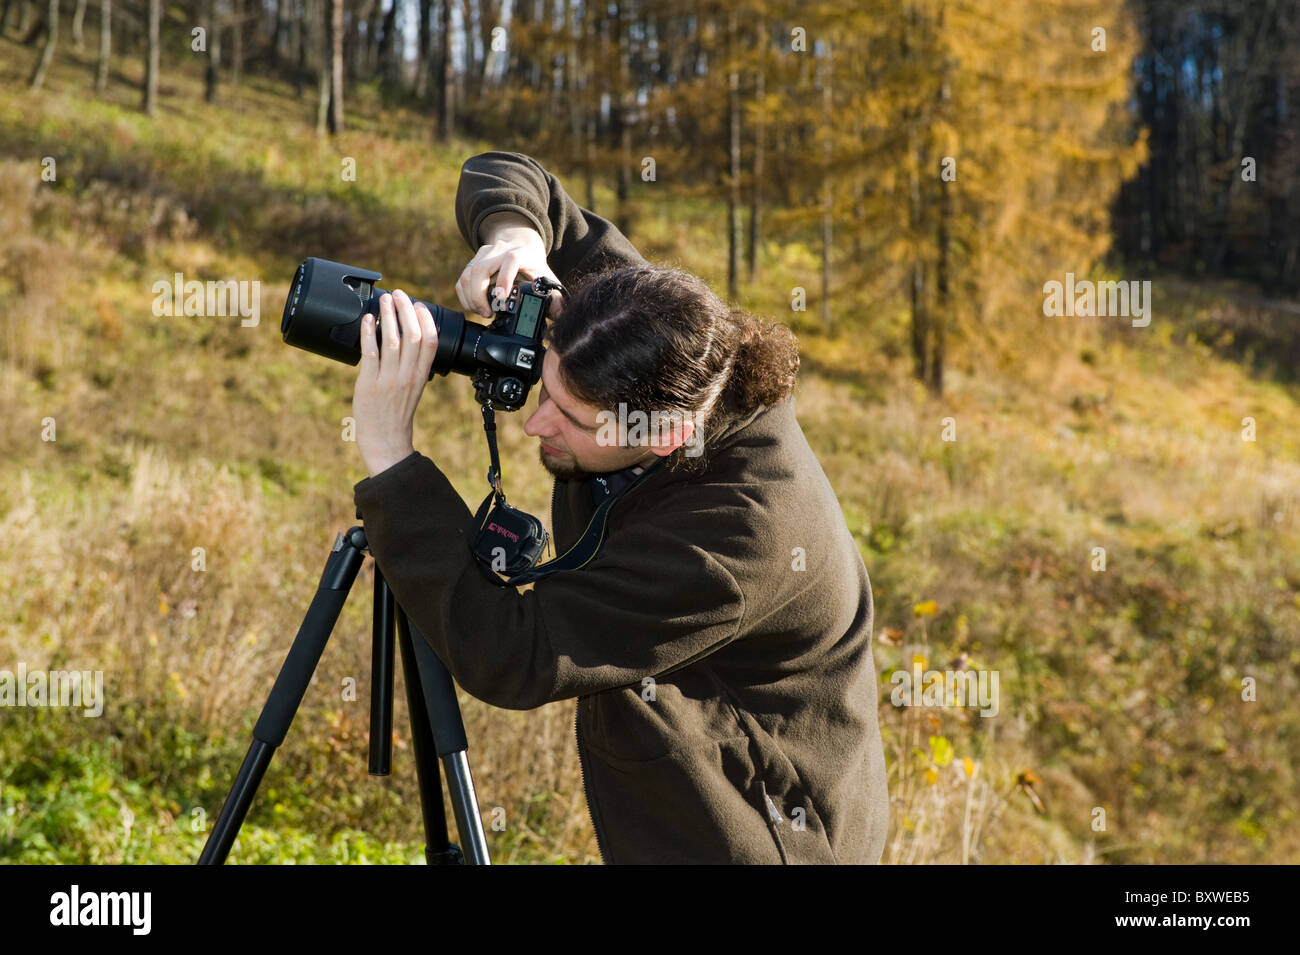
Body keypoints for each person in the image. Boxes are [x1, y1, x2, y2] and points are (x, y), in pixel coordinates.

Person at [349, 151, 889, 864]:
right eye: (546, 391)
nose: (537, 426)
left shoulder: (740, 536)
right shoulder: (641, 326)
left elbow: (515, 651)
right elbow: (514, 172)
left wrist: (391, 458)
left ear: (659, 437)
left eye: (571, 418)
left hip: (754, 834)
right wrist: (518, 239)